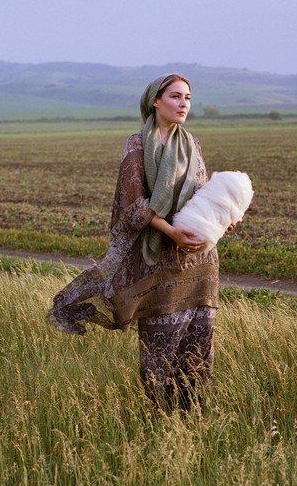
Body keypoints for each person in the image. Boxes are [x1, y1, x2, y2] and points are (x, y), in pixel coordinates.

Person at [47, 73, 225, 410]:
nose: (183, 104)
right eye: (175, 96)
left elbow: (202, 192)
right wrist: (170, 231)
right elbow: (133, 208)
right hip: (159, 262)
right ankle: (162, 417)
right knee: (162, 349)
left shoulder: (191, 143)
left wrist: (222, 218)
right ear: (155, 101)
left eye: (187, 98)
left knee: (199, 345)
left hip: (198, 263)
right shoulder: (137, 145)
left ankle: (195, 419)